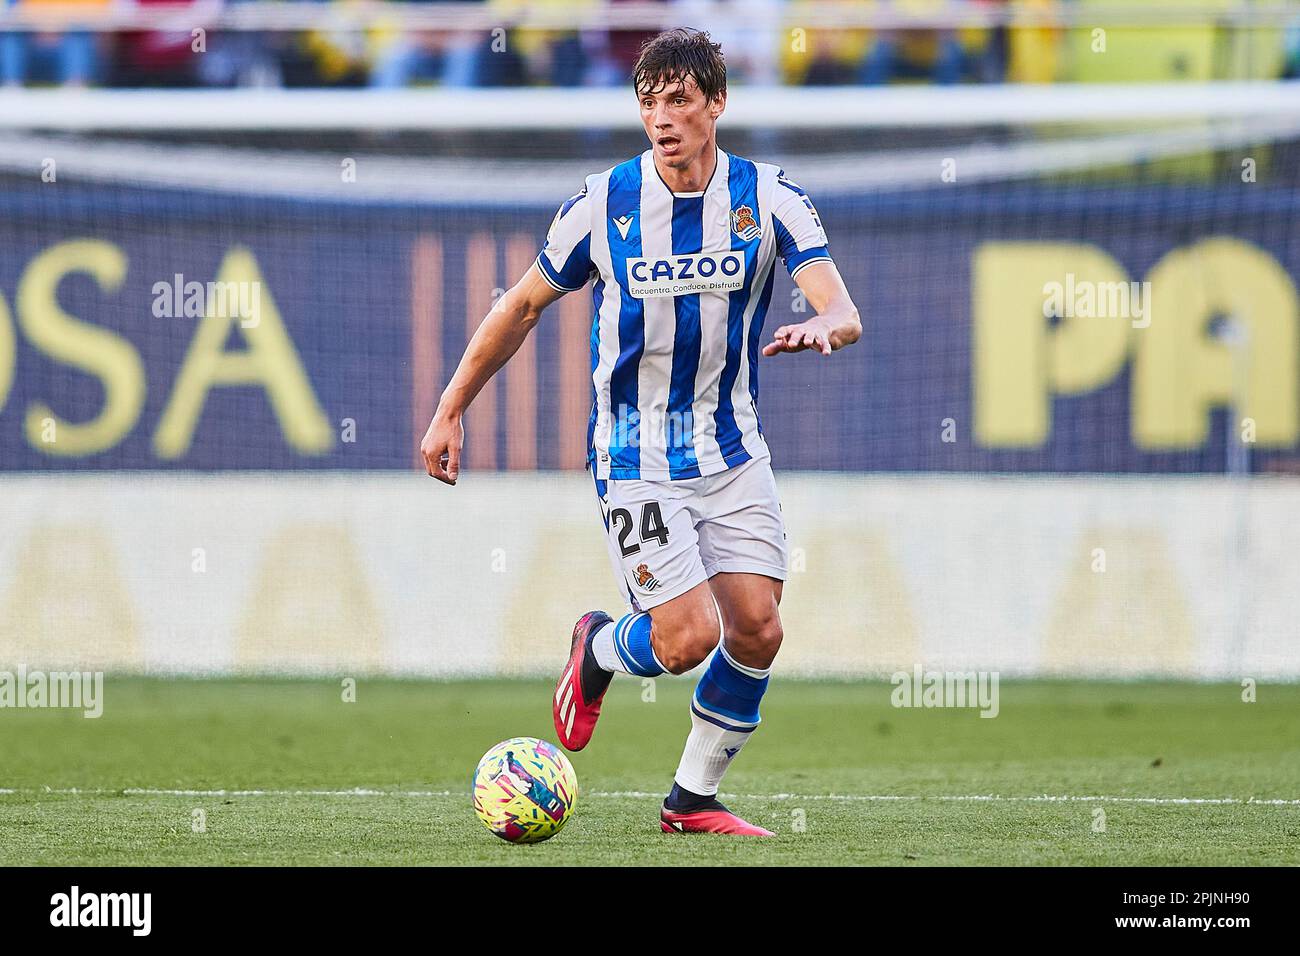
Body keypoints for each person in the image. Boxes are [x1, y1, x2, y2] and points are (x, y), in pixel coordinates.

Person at [420, 27, 861, 836]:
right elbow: (518, 308)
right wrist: (451, 408)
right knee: (688, 635)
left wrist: (827, 326)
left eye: (680, 100)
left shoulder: (769, 198)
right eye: (649, 102)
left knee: (758, 628)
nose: (663, 118)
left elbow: (841, 305)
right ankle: (599, 649)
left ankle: (691, 800)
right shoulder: (603, 201)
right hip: (635, 450)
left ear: (716, 104)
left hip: (733, 448)